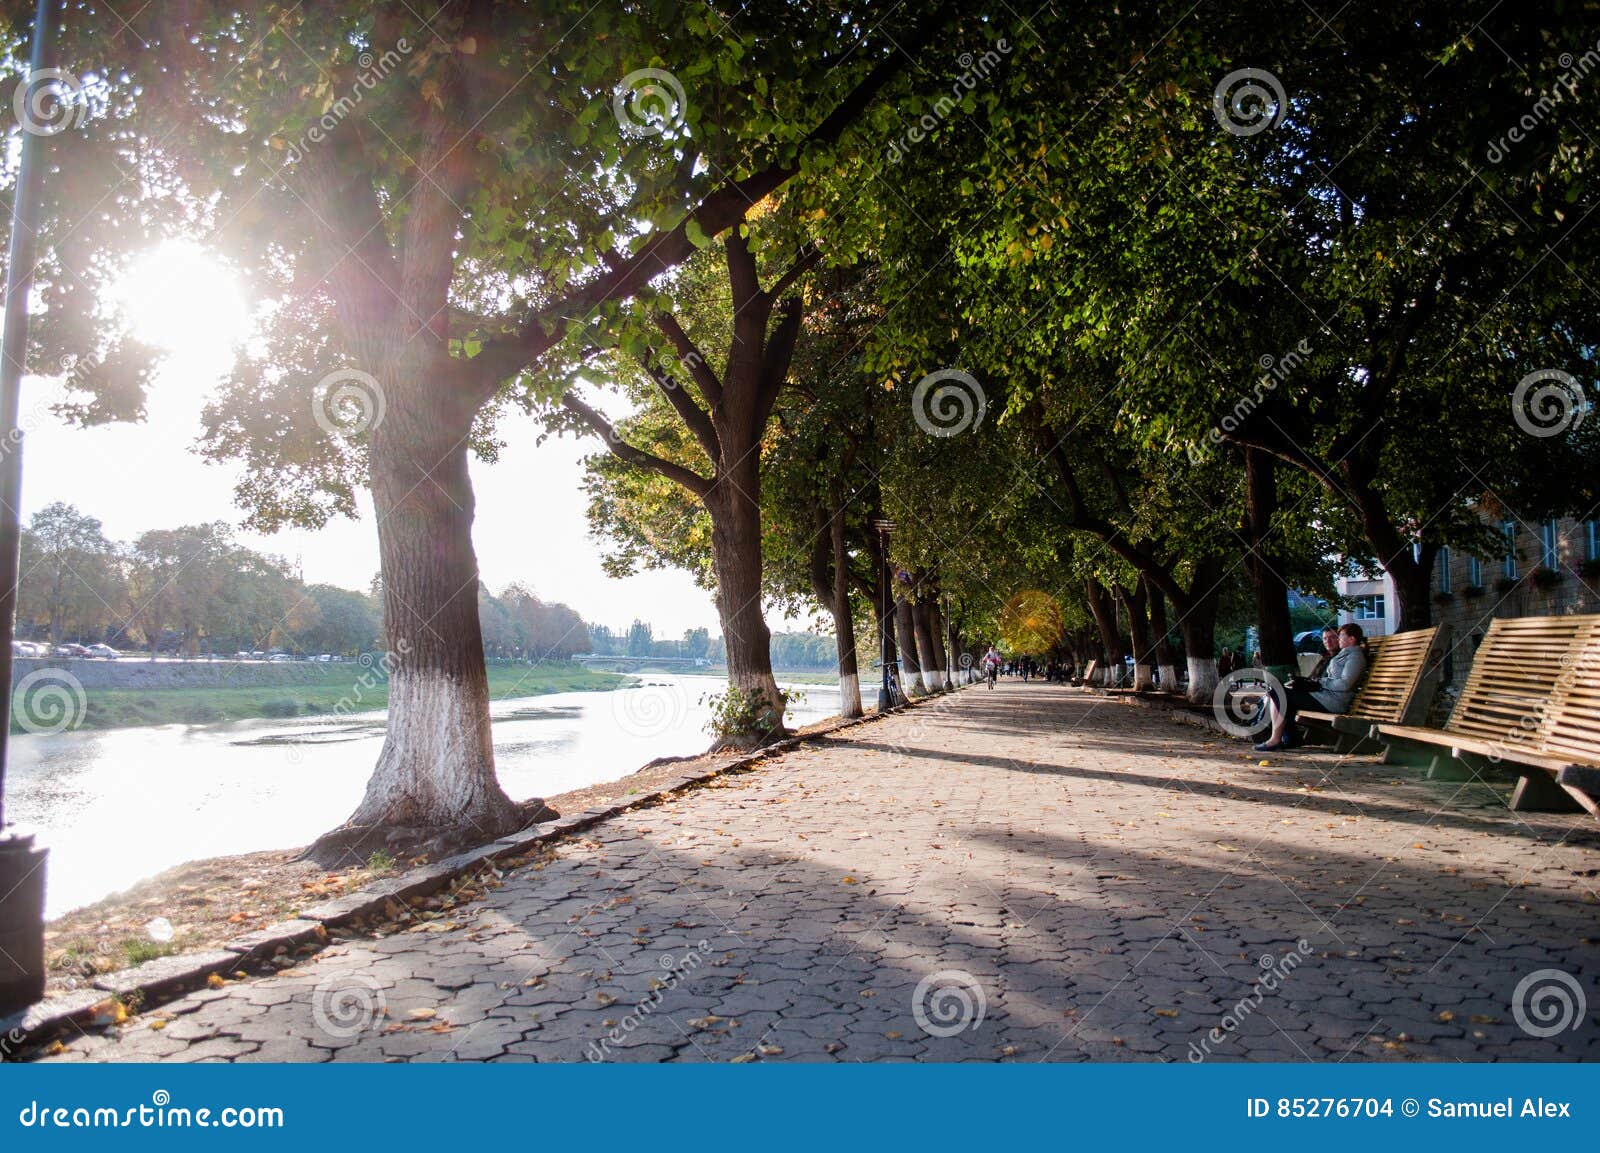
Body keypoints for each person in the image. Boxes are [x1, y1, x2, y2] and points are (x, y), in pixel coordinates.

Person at [1255, 623, 1368, 752]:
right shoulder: (1346, 654)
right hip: (1325, 697)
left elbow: (1345, 684)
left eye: (1340, 636)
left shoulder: (1355, 657)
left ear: (1351, 639)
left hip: (1333, 702)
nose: (1338, 639)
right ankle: (1290, 738)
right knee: (1280, 693)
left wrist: (1321, 682)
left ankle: (1276, 740)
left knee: (1280, 693)